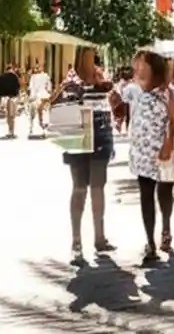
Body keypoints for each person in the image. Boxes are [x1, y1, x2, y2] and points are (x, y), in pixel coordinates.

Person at [111, 50, 174, 264]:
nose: (138, 69)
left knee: (165, 190)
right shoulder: (132, 90)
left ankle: (166, 230)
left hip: (162, 150)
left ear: (155, 70)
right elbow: (120, 110)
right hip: (141, 151)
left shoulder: (168, 92)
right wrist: (115, 104)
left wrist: (168, 144)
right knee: (146, 194)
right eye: (136, 65)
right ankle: (150, 243)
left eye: (142, 66)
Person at [63, 60, 115, 265]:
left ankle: (99, 238)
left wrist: (103, 83)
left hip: (101, 134)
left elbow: (115, 101)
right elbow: (65, 107)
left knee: (98, 187)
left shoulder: (103, 82)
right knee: (79, 188)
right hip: (78, 134)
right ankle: (76, 241)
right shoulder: (72, 82)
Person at [0, 63, 22, 139]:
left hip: (4, 98)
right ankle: (12, 131)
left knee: (7, 115)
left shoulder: (1, 77)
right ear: (12, 69)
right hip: (13, 98)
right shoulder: (15, 77)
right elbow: (18, 87)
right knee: (12, 116)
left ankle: (9, 130)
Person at [27, 62, 53, 138]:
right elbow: (49, 88)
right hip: (44, 96)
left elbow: (31, 88)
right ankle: (43, 130)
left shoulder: (33, 77)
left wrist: (30, 97)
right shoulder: (46, 76)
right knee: (44, 113)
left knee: (34, 114)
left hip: (36, 97)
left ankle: (32, 128)